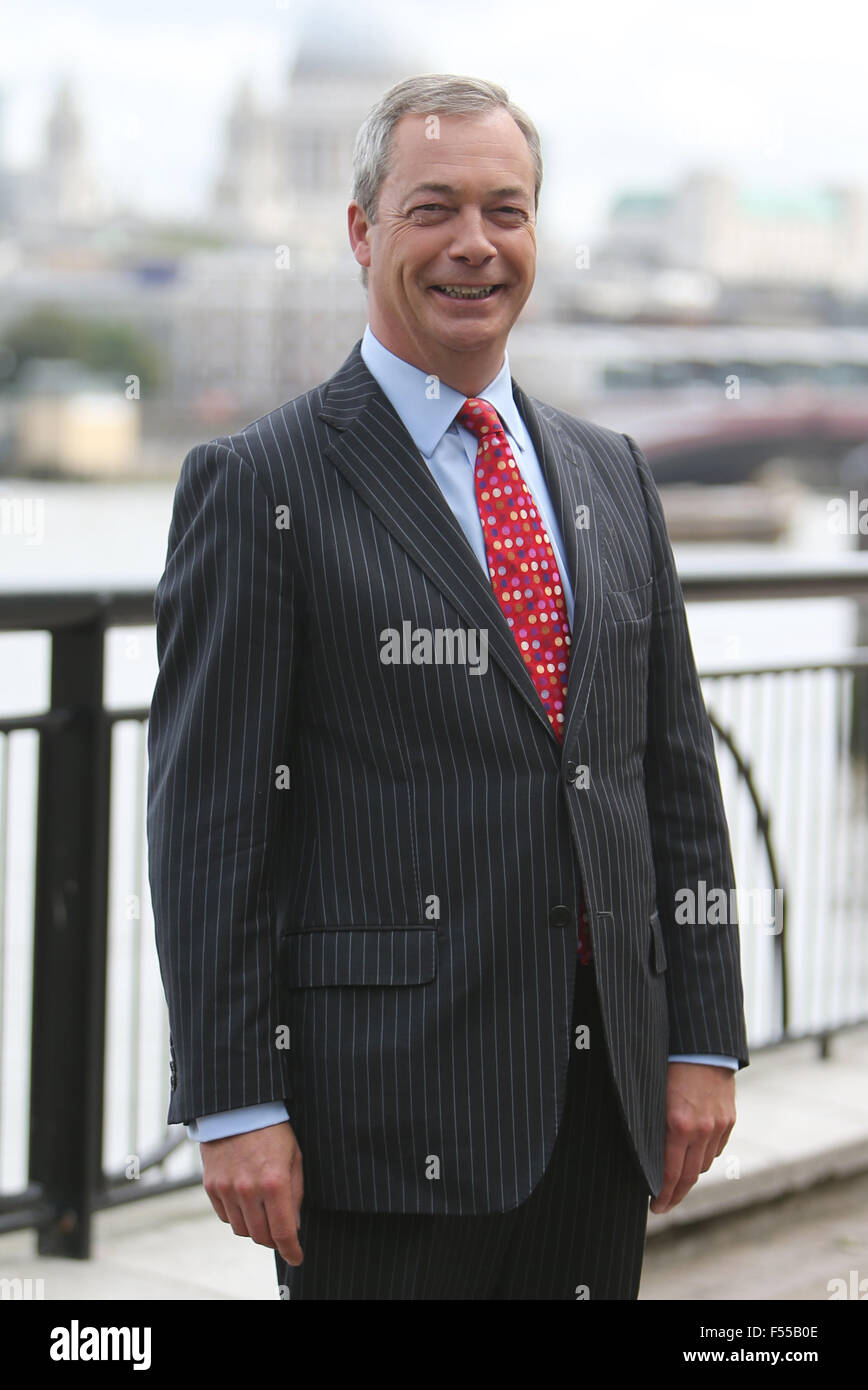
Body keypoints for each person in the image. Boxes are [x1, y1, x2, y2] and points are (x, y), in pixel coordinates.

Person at [147, 74, 749, 1301]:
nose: (474, 244)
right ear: (364, 231)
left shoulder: (611, 473)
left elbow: (671, 776)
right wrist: (232, 1097)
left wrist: (704, 1034)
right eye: (434, 209)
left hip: (603, 1106)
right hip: (379, 1125)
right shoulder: (258, 482)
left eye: (505, 210)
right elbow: (208, 824)